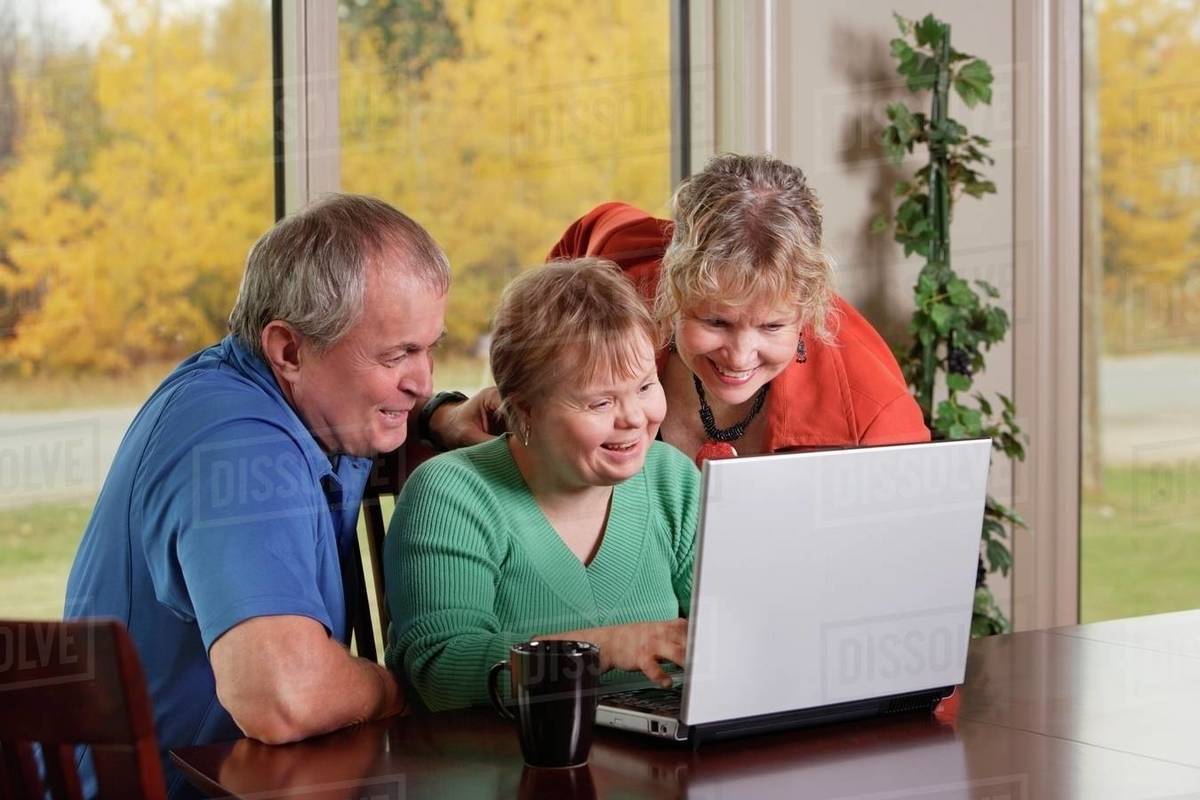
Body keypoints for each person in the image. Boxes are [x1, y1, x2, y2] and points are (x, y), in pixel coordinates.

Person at [64, 194, 447, 796]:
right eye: (397, 354)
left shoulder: (295, 404)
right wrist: (400, 689)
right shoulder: (235, 440)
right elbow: (283, 698)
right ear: (289, 349)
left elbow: (389, 420)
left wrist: (439, 418)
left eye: (429, 348)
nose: (420, 379)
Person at [430, 153, 928, 462]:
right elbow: (568, 266)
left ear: (809, 308)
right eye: (716, 320)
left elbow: (904, 559)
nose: (739, 355)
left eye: (773, 325)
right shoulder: (622, 272)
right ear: (671, 286)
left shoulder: (874, 413)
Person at [385, 259, 699, 711]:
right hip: (501, 767)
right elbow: (440, 673)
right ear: (525, 410)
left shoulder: (673, 478)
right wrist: (602, 650)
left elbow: (735, 629)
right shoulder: (451, 494)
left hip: (664, 764)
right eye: (600, 400)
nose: (634, 417)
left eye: (645, 386)